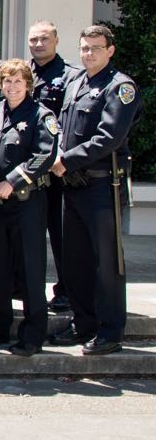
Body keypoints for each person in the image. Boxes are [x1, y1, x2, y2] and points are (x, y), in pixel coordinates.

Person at [51, 24, 141, 355]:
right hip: (73, 185)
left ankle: (110, 330)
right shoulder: (76, 81)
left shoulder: (121, 87)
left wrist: (67, 160)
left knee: (107, 264)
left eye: (96, 48)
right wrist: (56, 155)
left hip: (103, 186)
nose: (89, 53)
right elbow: (63, 127)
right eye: (85, 47)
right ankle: (83, 321)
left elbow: (110, 137)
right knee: (76, 261)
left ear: (110, 50)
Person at [0, 59, 59, 354]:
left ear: (29, 84)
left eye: (17, 81)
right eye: (6, 81)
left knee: (30, 269)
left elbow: (45, 156)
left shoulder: (41, 115)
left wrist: (12, 181)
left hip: (27, 203)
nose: (11, 87)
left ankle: (32, 334)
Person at [28, 19, 81, 313]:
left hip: (57, 169)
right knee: (27, 232)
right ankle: (21, 284)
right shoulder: (22, 72)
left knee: (61, 235)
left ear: (56, 40)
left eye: (44, 38)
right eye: (34, 39)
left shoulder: (72, 76)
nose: (38, 44)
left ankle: (66, 290)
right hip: (28, 170)